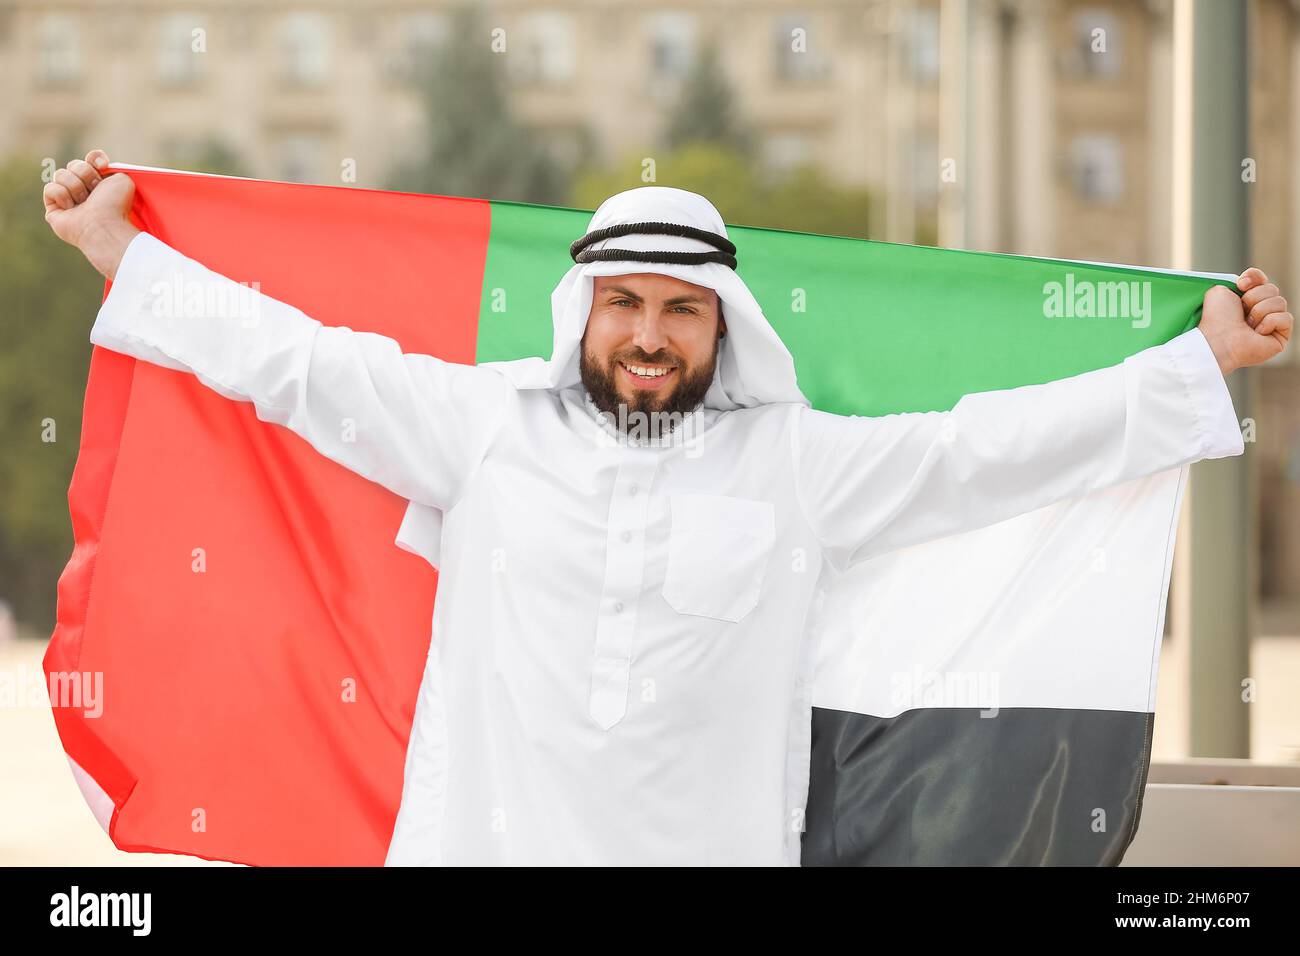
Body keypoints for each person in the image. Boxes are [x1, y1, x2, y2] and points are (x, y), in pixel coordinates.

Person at [44, 149, 1292, 865]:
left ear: (721, 327)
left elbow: (990, 448)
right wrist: (123, 254)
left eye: (679, 309)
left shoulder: (797, 463)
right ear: (582, 312)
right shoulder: (481, 428)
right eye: (624, 304)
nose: (648, 334)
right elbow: (295, 362)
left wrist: (1202, 361)